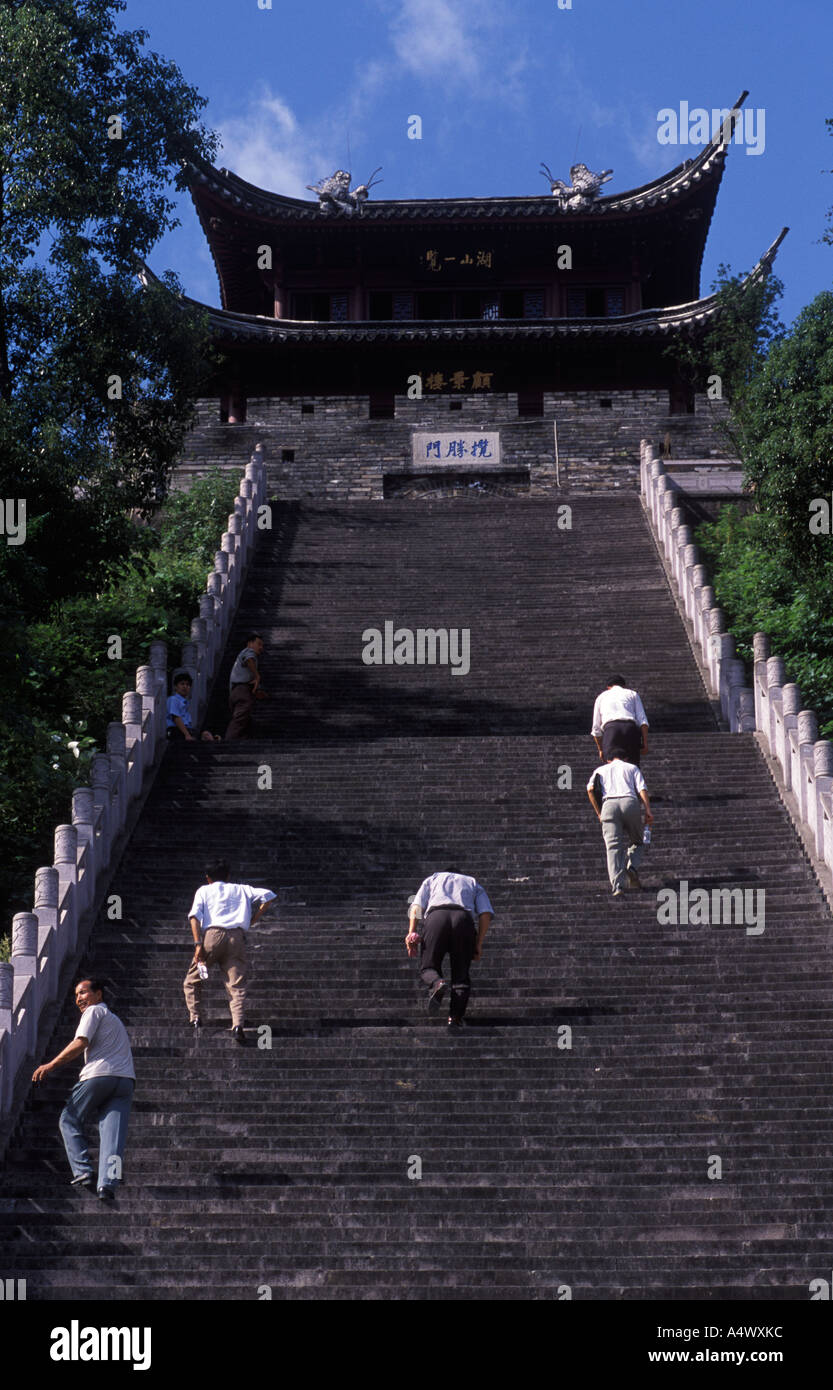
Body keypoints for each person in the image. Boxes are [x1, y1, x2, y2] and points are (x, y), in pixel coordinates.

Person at [32, 978, 135, 1202]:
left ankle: (83, 1171)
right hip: (125, 1081)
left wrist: (50, 1065)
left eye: (83, 993)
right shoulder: (115, 1020)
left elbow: (81, 1042)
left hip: (99, 1076)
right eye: (76, 995)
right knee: (113, 1137)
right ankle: (108, 1184)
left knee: (68, 1119)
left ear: (99, 994)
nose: (79, 999)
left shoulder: (93, 1012)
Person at [183, 859, 277, 1043]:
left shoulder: (204, 890)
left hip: (213, 935)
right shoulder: (241, 889)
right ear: (228, 876)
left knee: (192, 979)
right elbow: (269, 896)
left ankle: (195, 1018)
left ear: (208, 878)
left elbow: (194, 917)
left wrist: (198, 944)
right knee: (236, 983)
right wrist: (253, 918)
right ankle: (237, 1024)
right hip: (236, 937)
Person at [405, 870, 493, 1031]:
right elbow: (485, 913)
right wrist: (478, 942)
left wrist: (412, 932)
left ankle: (437, 982)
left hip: (436, 918)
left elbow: (417, 906)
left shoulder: (433, 878)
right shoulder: (472, 882)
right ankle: (455, 1018)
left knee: (428, 967)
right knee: (461, 975)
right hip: (463, 920)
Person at [586, 756, 653, 897]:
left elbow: (590, 789)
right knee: (637, 840)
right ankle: (632, 867)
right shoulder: (631, 767)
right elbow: (642, 788)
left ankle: (618, 886)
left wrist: (599, 812)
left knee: (613, 847)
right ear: (626, 757)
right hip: (630, 802)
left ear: (608, 759)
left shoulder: (600, 769)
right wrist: (648, 810)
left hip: (608, 805)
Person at [591, 676, 649, 766]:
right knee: (632, 766)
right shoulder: (632, 694)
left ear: (608, 687)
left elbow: (596, 729)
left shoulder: (601, 697)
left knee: (611, 767)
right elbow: (643, 721)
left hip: (610, 730)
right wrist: (645, 743)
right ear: (624, 686)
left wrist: (601, 749)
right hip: (630, 730)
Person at [225, 632, 266, 740]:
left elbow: (249, 678)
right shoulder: (248, 651)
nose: (261, 648)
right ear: (250, 643)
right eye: (259, 644)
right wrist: (257, 676)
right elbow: (249, 658)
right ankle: (228, 742)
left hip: (237, 692)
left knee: (246, 721)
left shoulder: (243, 655)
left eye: (262, 645)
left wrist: (257, 691)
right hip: (241, 691)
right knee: (240, 720)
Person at [167, 672, 220, 742]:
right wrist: (187, 735)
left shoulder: (185, 703)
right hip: (175, 730)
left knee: (205, 734)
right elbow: (176, 718)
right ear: (175, 687)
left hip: (186, 730)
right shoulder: (173, 699)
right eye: (182, 684)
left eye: (188, 685)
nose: (185, 687)